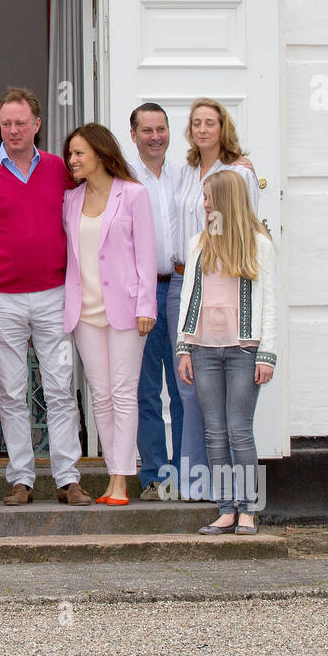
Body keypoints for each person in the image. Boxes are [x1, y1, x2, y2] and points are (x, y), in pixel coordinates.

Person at [0, 87, 90, 507]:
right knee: (11, 392)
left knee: (61, 389)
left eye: (21, 123)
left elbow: (107, 186)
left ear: (37, 124)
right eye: (6, 124)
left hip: (54, 296)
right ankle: (21, 479)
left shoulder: (61, 170)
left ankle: (68, 479)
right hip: (1, 299)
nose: (13, 130)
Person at [176, 170, 277, 534]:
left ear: (225, 199)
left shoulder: (257, 245)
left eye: (208, 197)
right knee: (214, 432)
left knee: (239, 430)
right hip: (204, 349)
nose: (204, 204)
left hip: (242, 350)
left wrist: (267, 353)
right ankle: (226, 509)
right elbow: (189, 297)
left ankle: (248, 509)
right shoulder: (199, 244)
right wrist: (184, 346)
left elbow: (269, 302)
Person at [62, 123, 157, 506]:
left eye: (80, 153)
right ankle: (111, 476)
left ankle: (121, 480)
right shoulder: (71, 200)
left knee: (123, 393)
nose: (73, 160)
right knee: (100, 395)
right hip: (85, 312)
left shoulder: (133, 195)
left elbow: (147, 255)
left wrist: (146, 304)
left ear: (100, 154)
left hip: (128, 310)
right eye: (70, 154)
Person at [173, 99, 259, 501]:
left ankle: (240, 502)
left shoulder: (239, 171)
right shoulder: (186, 171)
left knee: (234, 421)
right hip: (190, 282)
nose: (203, 129)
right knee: (190, 393)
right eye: (196, 123)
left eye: (211, 123)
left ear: (223, 127)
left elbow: (248, 235)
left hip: (229, 291)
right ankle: (197, 485)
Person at [129, 103, 186, 500]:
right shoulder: (124, 180)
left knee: (184, 387)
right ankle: (154, 475)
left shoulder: (185, 176)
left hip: (180, 288)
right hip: (142, 293)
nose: (155, 137)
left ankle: (185, 474)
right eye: (146, 130)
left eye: (161, 129)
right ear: (133, 135)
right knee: (145, 389)